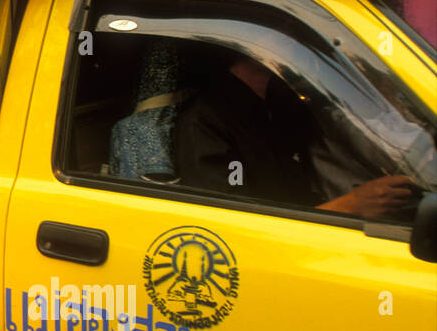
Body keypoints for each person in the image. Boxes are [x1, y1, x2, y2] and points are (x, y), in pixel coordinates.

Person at [174, 53, 417, 219]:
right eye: (286, 37)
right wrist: (351, 206)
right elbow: (233, 227)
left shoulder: (287, 104)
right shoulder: (206, 122)